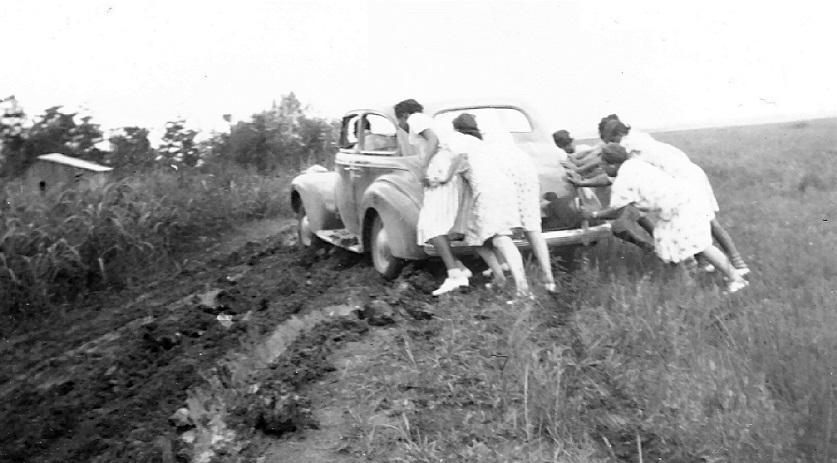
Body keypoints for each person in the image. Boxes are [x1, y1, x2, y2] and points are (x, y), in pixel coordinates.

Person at [581, 143, 749, 293]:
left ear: (612, 164)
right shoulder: (632, 164)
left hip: (683, 207)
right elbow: (608, 179)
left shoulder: (623, 181)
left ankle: (736, 279)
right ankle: (687, 283)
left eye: (603, 165)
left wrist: (593, 214)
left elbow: (615, 212)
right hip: (683, 200)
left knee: (700, 245)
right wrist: (582, 183)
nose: (602, 168)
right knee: (668, 241)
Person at [597, 116, 751, 275]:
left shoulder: (631, 147)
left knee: (707, 221)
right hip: (679, 180)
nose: (610, 145)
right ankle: (705, 263)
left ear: (617, 136)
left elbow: (616, 174)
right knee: (688, 225)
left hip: (686, 178)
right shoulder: (637, 140)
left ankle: (736, 262)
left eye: (610, 141)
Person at [394, 99, 471, 296]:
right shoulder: (426, 121)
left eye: (399, 121)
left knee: (431, 225)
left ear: (404, 115)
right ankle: (459, 268)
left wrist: (423, 166)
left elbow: (433, 140)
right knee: (433, 224)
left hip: (440, 169)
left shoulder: (415, 119)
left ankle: (455, 275)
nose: (401, 126)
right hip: (442, 169)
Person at [448, 113, 530, 295]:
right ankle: (500, 278)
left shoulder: (459, 139)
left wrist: (446, 175)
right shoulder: (480, 143)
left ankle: (523, 289)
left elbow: (459, 158)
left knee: (501, 238)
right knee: (475, 237)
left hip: (488, 190)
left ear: (456, 128)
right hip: (500, 187)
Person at [478, 118, 558, 293]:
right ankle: (548, 276)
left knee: (501, 232)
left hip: (504, 182)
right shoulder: (519, 152)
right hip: (526, 178)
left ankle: (513, 277)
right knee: (533, 229)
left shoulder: (489, 153)